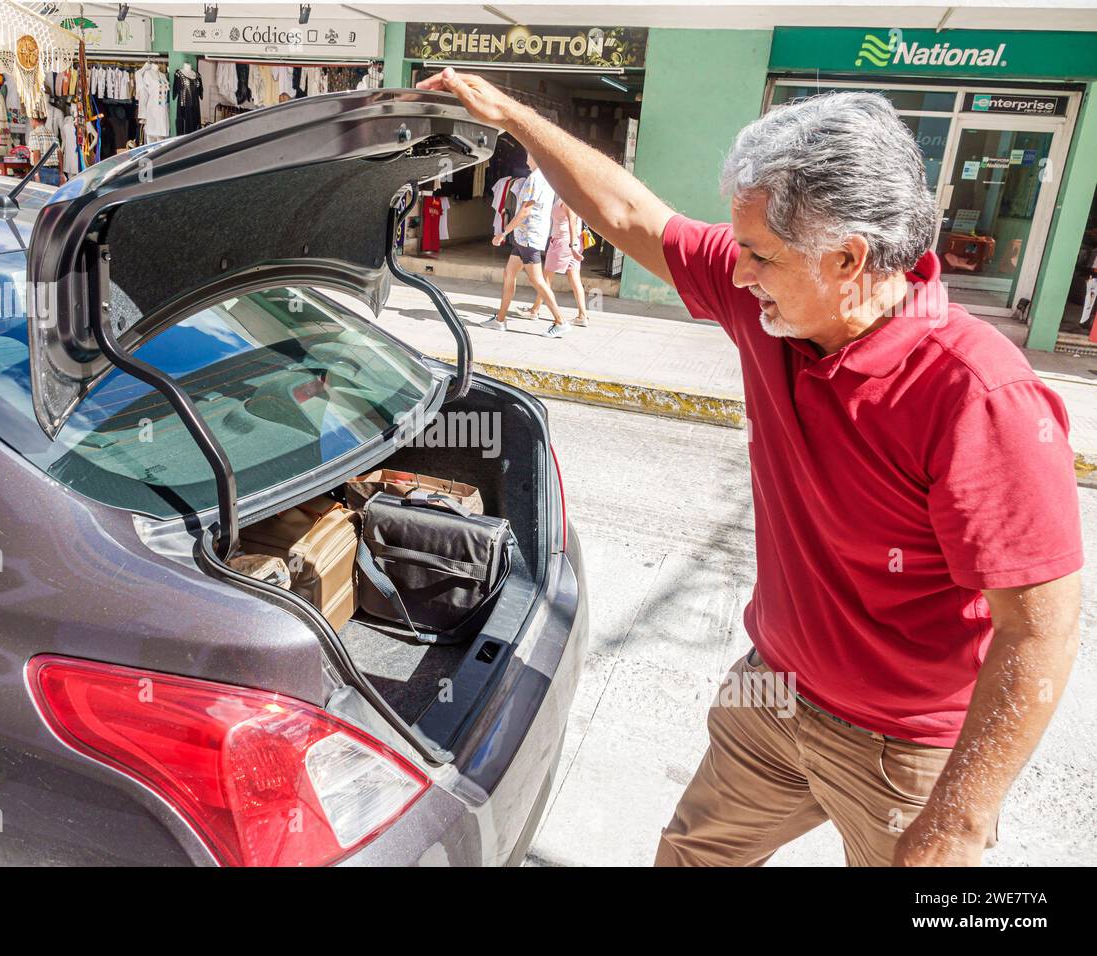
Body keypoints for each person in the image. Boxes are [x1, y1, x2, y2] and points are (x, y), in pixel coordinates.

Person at [420, 67, 1083, 867]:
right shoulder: (773, 308)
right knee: (689, 857)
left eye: (759, 256)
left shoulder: (979, 396)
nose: (735, 274)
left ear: (849, 259)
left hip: (903, 752)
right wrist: (508, 115)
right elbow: (631, 213)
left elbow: (1038, 631)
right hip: (768, 695)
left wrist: (958, 821)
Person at [477, 151, 567, 338]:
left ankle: (561, 321)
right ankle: (500, 320)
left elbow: (525, 210)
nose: (526, 156)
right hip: (525, 237)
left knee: (537, 280)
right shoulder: (545, 178)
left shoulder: (535, 179)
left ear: (536, 157)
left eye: (528, 153)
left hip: (529, 237)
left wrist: (504, 232)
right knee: (509, 273)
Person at [521, 196, 591, 327]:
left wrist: (572, 246)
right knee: (574, 278)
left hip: (563, 243)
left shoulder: (568, 200)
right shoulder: (569, 198)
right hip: (571, 243)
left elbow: (572, 223)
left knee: (545, 279)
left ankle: (534, 310)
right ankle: (582, 316)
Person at [26, 114, 61, 186]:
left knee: (41, 196)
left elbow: (36, 153)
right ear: (45, 120)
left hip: (42, 171)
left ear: (34, 120)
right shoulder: (52, 134)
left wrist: (36, 174)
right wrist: (61, 173)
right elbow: (59, 154)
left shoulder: (34, 133)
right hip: (55, 171)